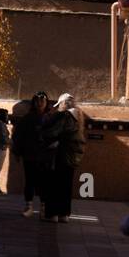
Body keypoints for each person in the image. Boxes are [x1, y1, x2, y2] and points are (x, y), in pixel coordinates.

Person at [39, 92, 85, 222]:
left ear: (63, 104)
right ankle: (64, 214)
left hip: (59, 155)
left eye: (60, 104)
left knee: (54, 184)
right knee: (66, 186)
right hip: (72, 157)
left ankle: (52, 214)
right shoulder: (79, 117)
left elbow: (53, 132)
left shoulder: (64, 116)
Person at [12, 91, 49, 217]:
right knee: (30, 181)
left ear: (46, 103)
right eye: (37, 101)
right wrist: (17, 151)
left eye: (42, 101)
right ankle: (29, 206)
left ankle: (44, 208)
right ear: (34, 103)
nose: (40, 103)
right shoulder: (27, 119)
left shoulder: (49, 119)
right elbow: (18, 136)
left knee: (44, 182)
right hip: (30, 156)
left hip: (45, 157)